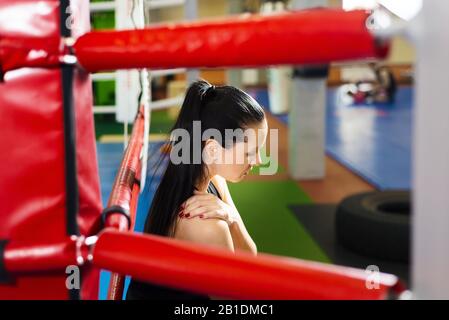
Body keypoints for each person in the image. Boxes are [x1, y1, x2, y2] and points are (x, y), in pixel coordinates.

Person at [126, 80, 268, 300]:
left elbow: (249, 256)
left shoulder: (207, 180)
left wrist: (232, 218)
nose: (258, 160)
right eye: (250, 152)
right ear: (211, 149)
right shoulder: (205, 223)